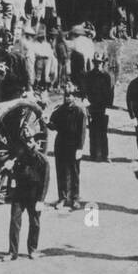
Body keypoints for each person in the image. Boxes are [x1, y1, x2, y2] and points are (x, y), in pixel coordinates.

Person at [2, 131, 49, 262]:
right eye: (26, 141)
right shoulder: (19, 157)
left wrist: (41, 201)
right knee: (14, 221)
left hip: (34, 196)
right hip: (20, 194)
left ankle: (33, 250)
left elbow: (45, 182)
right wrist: (9, 169)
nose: (28, 144)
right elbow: (13, 176)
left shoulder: (42, 161)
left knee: (34, 223)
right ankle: (12, 252)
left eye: (30, 141)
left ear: (36, 143)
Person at [47, 83, 88, 211]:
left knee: (74, 173)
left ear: (75, 96)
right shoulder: (60, 110)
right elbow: (54, 125)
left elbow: (82, 132)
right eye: (66, 95)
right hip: (61, 144)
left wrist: (80, 148)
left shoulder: (79, 111)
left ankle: (75, 198)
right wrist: (47, 122)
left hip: (74, 146)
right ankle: (62, 198)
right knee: (61, 172)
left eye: (70, 95)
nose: (68, 98)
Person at [84, 54, 115, 162]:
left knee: (103, 131)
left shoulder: (106, 76)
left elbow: (111, 92)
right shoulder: (89, 75)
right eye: (96, 62)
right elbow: (85, 90)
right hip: (92, 106)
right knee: (92, 131)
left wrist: (109, 107)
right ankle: (93, 154)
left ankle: (104, 155)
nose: (98, 64)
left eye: (100, 62)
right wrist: (86, 102)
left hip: (103, 107)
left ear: (103, 63)